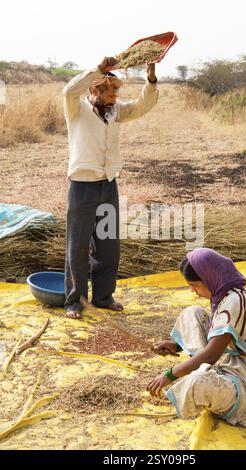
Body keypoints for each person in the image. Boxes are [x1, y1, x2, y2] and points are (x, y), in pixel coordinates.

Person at [63, 57, 159, 319]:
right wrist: (98, 69)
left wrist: (150, 80)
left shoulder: (115, 112)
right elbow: (69, 90)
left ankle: (104, 298)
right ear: (95, 90)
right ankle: (75, 302)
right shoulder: (76, 109)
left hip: (108, 186)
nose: (116, 96)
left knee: (108, 247)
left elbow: (143, 106)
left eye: (118, 90)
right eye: (111, 90)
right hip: (82, 188)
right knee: (78, 248)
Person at [148, 248, 246, 427]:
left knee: (198, 382)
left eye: (195, 285)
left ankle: (209, 379)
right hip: (232, 363)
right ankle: (205, 371)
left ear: (209, 278)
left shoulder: (234, 302)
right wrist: (176, 345)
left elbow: (211, 355)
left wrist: (170, 374)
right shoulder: (225, 294)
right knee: (192, 314)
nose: (193, 291)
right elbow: (217, 335)